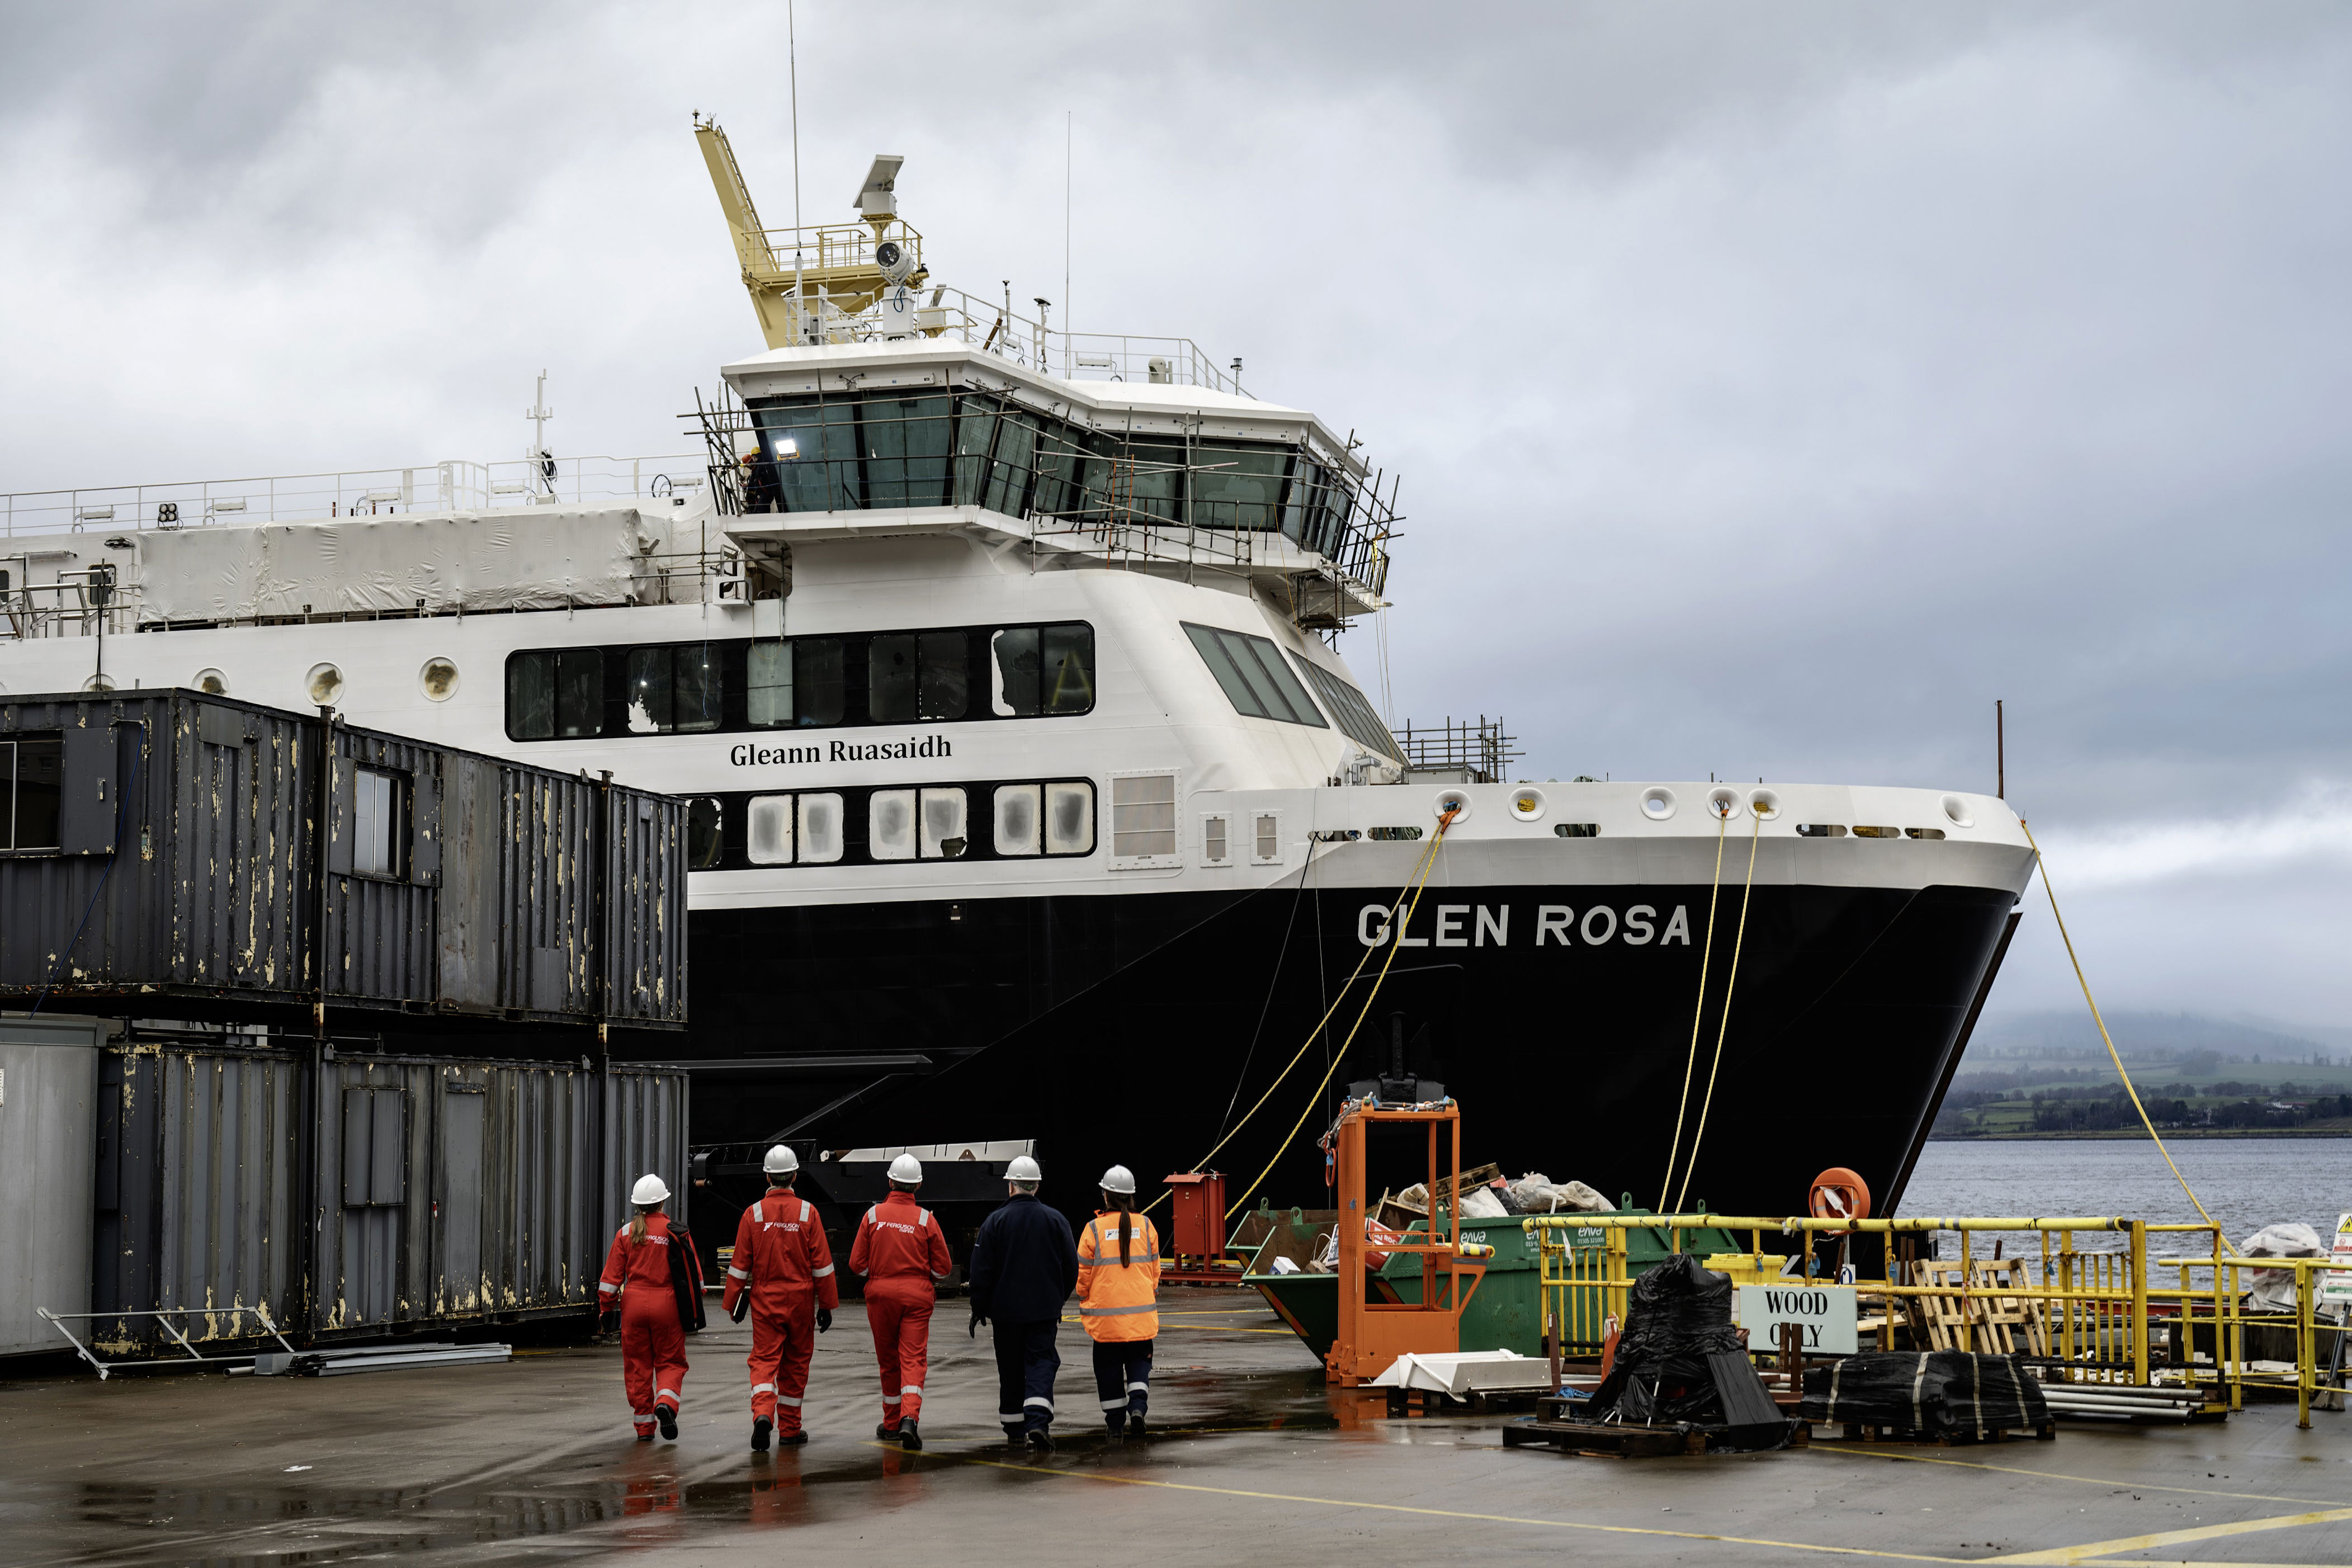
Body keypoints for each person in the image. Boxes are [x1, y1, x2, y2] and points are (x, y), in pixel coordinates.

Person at [722, 1144, 838, 1452]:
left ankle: (763, 1414)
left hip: (766, 1301)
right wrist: (827, 1305)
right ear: (795, 1176)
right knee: (796, 1364)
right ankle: (790, 1430)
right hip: (801, 1301)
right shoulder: (809, 1213)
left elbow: (739, 1265)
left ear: (767, 1177)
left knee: (764, 1361)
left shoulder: (753, 1214)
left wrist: (733, 1303)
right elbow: (823, 1265)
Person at [967, 1153, 1078, 1452]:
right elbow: (1072, 1268)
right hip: (1043, 1312)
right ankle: (1038, 1422)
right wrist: (1057, 1300)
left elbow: (981, 1271)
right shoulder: (1057, 1220)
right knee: (1041, 1362)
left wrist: (979, 1307)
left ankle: (1014, 1429)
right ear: (1036, 1187)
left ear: (1010, 1186)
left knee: (1010, 1367)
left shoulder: (994, 1222)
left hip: (1005, 1314)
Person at [847, 1153, 952, 1451]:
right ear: (918, 1185)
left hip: (881, 1297)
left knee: (888, 1361)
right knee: (913, 1359)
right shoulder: (926, 1219)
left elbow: (857, 1265)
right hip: (917, 1298)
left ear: (890, 1182)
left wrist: (880, 1274)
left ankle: (892, 1423)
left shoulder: (872, 1216)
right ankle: (909, 1419)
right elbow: (943, 1269)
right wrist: (920, 1277)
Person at [599, 1173, 706, 1441]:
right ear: (662, 1202)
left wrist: (606, 1311)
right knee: (670, 1361)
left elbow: (610, 1283)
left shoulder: (626, 1233)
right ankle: (666, 1403)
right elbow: (697, 1280)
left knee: (638, 1366)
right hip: (668, 1305)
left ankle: (644, 1428)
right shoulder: (676, 1232)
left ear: (637, 1205)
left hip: (633, 1306)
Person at [1076, 1164, 1160, 1439]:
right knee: (1139, 1365)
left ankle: (1115, 1426)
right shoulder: (1147, 1227)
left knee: (1108, 1371)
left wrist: (1084, 1296)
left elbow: (1083, 1275)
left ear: (1106, 1195)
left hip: (1106, 1324)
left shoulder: (1093, 1229)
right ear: (1131, 1196)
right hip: (1140, 1321)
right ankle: (1137, 1408)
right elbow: (1155, 1274)